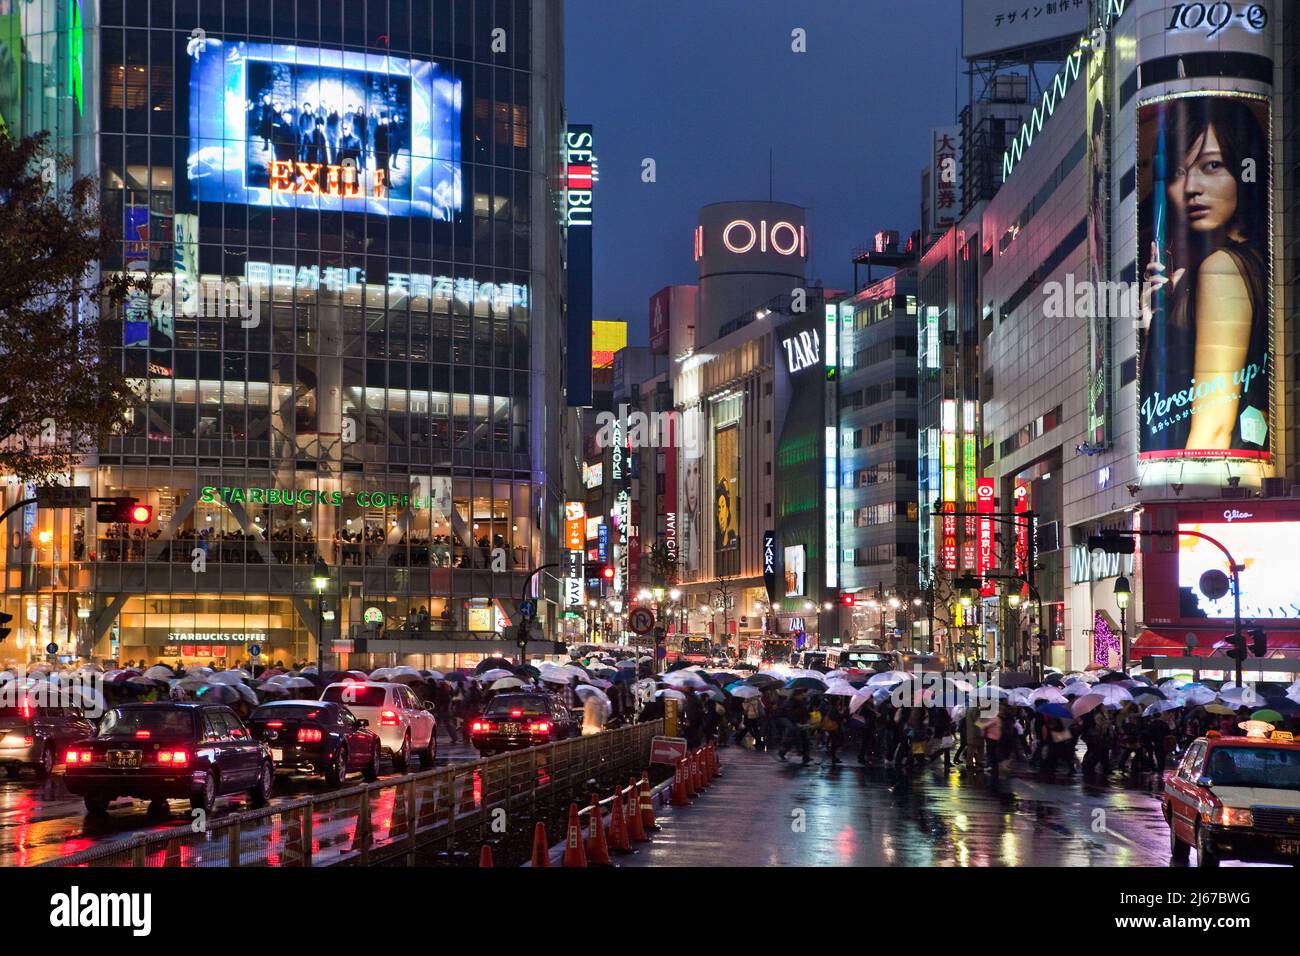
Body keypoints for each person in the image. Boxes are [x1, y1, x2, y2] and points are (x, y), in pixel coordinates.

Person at [1139, 96, 1270, 456]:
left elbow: (1213, 426)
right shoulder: (1252, 264)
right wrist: (1157, 323)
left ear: (1245, 170)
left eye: (1211, 165)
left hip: (1209, 480)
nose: (1191, 187)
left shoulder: (1222, 268)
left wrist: (1186, 490)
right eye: (1178, 173)